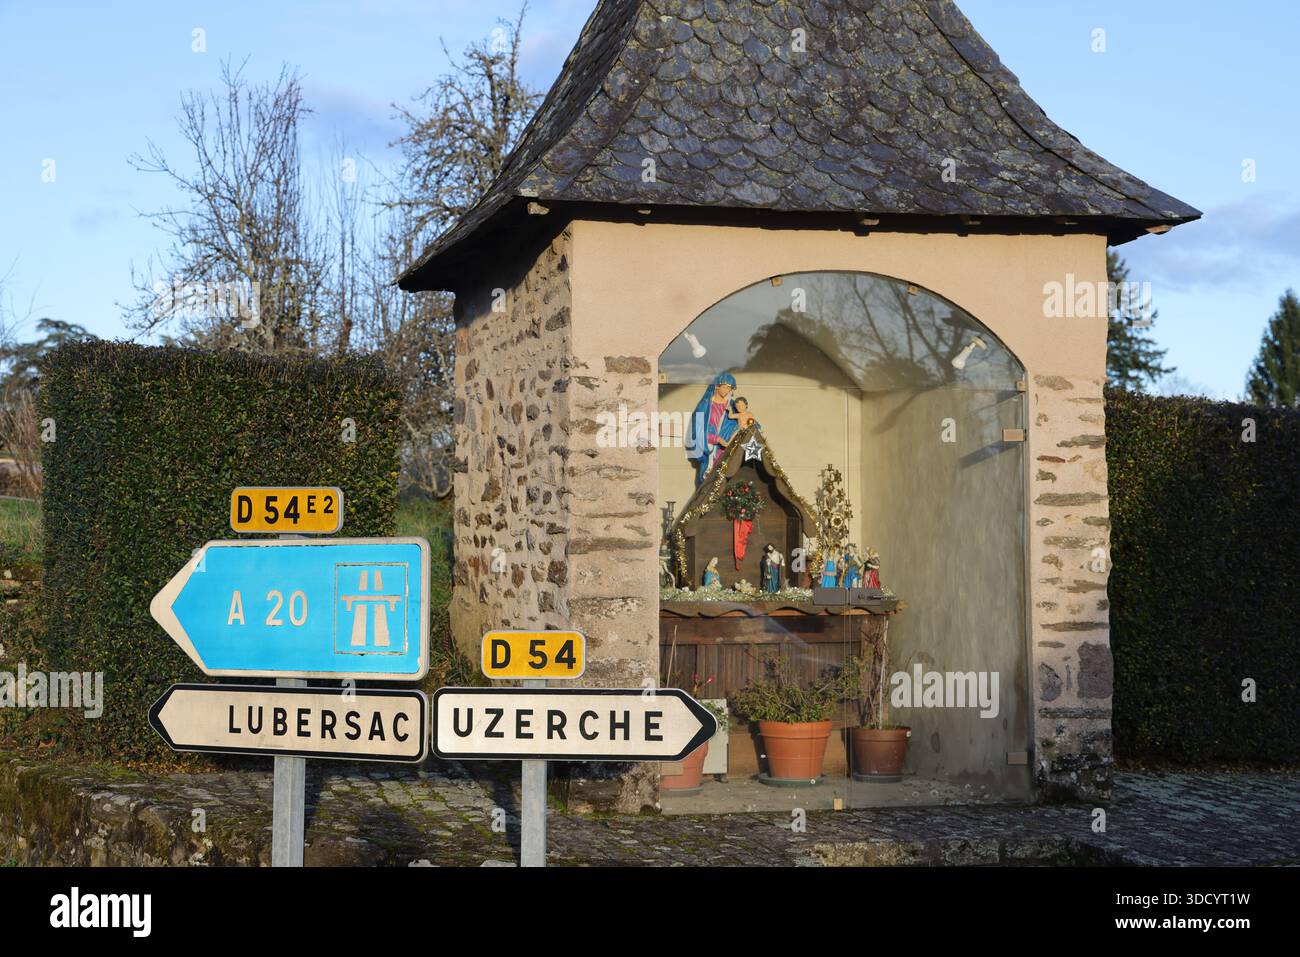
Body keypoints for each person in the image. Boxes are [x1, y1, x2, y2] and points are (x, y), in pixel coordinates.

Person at [686, 373, 738, 486]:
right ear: (717, 386)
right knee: (708, 479)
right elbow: (697, 428)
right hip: (708, 447)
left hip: (724, 449)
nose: (726, 390)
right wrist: (716, 439)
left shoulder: (732, 406)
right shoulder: (705, 404)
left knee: (724, 479)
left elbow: (742, 419)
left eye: (729, 388)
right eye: (724, 386)